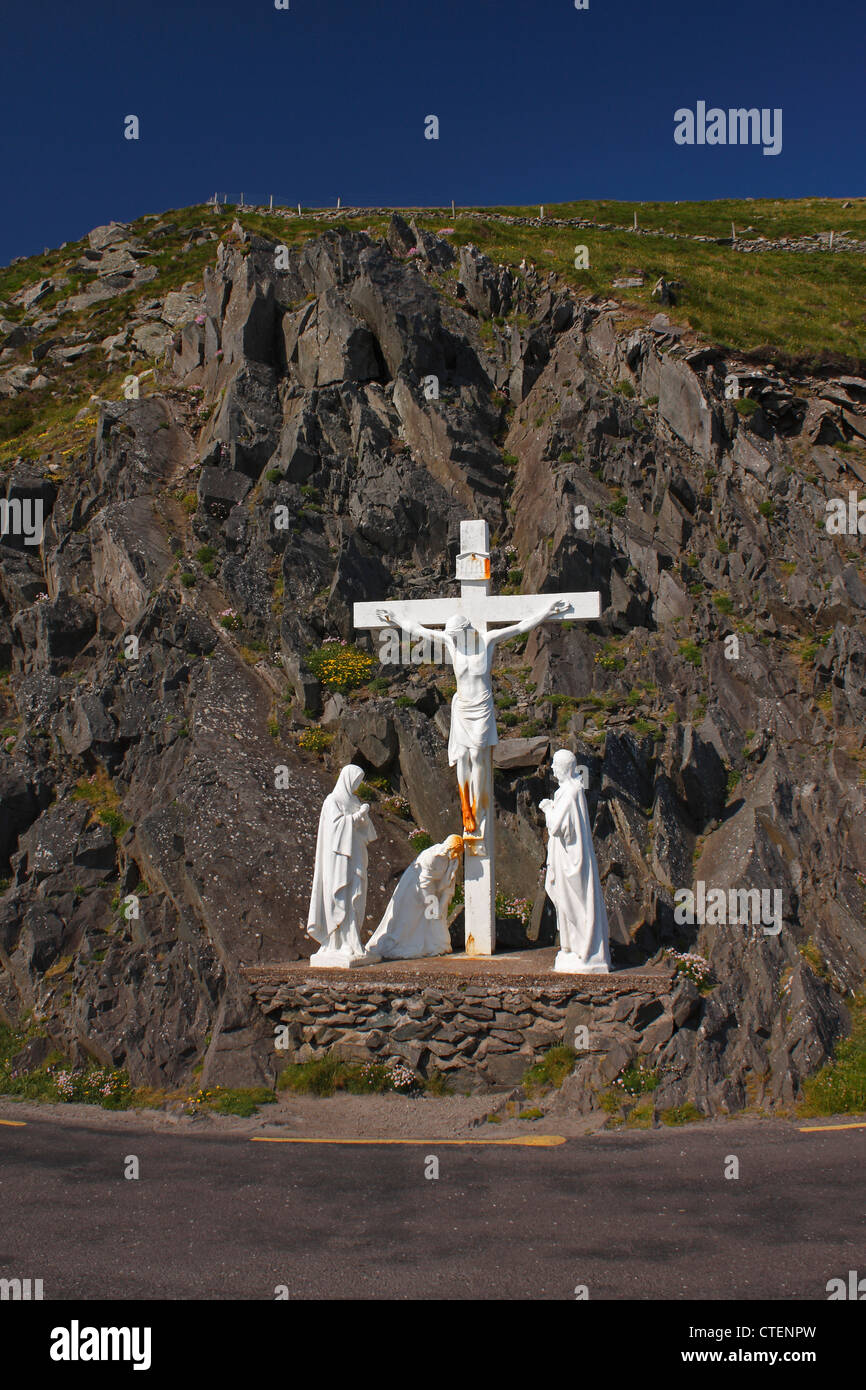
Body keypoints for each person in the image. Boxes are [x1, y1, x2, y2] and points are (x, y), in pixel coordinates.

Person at [376, 599, 568, 836]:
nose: (453, 640)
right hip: (463, 708)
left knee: (478, 754)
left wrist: (547, 611)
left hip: (482, 707)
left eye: (456, 636)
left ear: (467, 630)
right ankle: (467, 807)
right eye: (451, 637)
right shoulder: (451, 642)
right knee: (462, 756)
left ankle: (479, 805)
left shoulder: (487, 640)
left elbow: (520, 627)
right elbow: (419, 630)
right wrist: (395, 618)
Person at [539, 749, 610, 974]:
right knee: (568, 903)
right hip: (567, 856)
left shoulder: (570, 793)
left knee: (573, 902)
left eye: (555, 765)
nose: (552, 769)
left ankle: (583, 949)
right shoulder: (570, 791)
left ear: (565, 767)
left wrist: (547, 808)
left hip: (570, 860)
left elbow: (556, 827)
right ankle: (571, 947)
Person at [307, 764, 378, 967]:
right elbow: (336, 828)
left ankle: (352, 940)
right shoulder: (333, 801)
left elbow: (367, 834)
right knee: (342, 896)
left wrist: (363, 815)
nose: (357, 785)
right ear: (347, 779)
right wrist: (357, 816)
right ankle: (337, 941)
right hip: (338, 860)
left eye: (359, 781)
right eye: (355, 780)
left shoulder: (354, 801)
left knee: (355, 896)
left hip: (355, 854)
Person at [365, 835, 463, 960]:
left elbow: (449, 885)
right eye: (453, 851)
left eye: (457, 852)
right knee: (407, 918)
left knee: (433, 919)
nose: (455, 854)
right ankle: (397, 943)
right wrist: (431, 904)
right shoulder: (431, 856)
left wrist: (440, 905)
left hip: (434, 890)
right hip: (414, 887)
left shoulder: (453, 859)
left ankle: (433, 945)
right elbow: (425, 882)